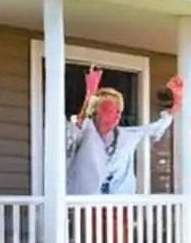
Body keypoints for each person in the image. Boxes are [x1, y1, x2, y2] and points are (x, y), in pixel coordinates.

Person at [66, 67, 183, 195]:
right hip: (83, 211)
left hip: (119, 209)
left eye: (118, 111)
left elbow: (157, 127)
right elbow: (76, 127)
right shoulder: (84, 134)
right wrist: (89, 97)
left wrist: (173, 106)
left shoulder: (127, 137)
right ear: (96, 112)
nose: (117, 115)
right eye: (110, 110)